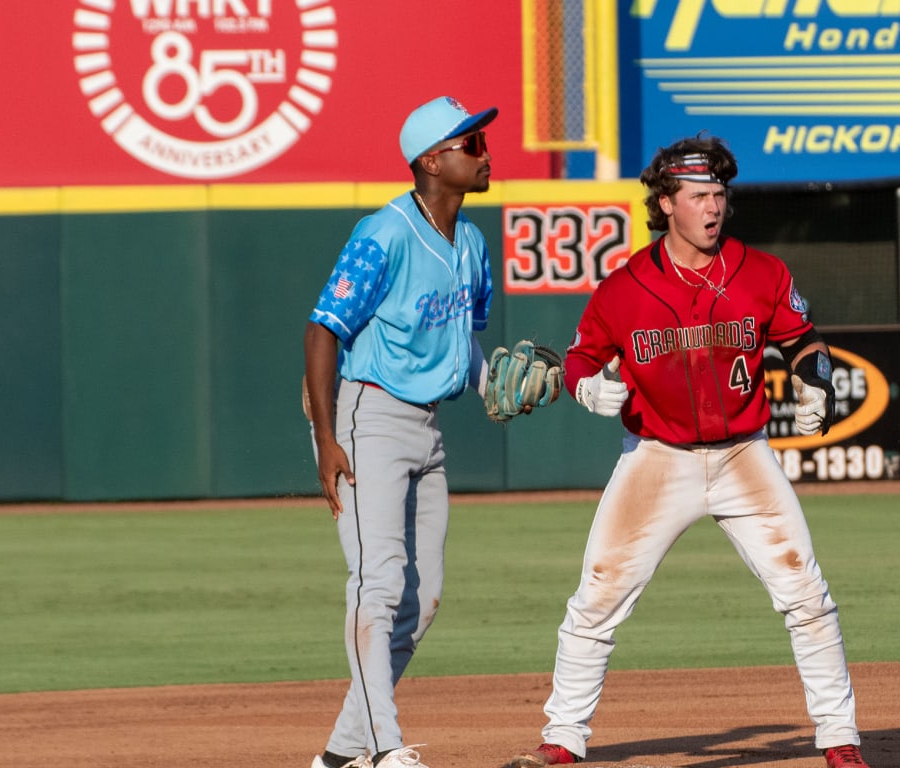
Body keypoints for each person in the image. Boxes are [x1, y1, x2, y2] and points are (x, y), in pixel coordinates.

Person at [506, 135, 871, 768]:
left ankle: (840, 742)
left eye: (720, 195)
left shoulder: (761, 272)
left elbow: (803, 339)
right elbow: (582, 358)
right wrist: (586, 384)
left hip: (743, 456)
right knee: (597, 595)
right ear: (666, 203)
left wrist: (817, 377)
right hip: (658, 457)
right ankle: (562, 741)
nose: (714, 207)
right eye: (699, 195)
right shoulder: (624, 289)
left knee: (806, 594)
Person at [302, 95, 498, 768]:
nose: (485, 152)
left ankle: (338, 756)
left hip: (428, 429)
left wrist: (490, 385)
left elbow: (467, 344)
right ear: (430, 160)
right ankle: (385, 749)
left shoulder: (472, 244)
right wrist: (329, 438)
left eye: (480, 141)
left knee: (422, 601)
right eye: (471, 144)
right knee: (378, 584)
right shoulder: (382, 232)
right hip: (368, 416)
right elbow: (324, 329)